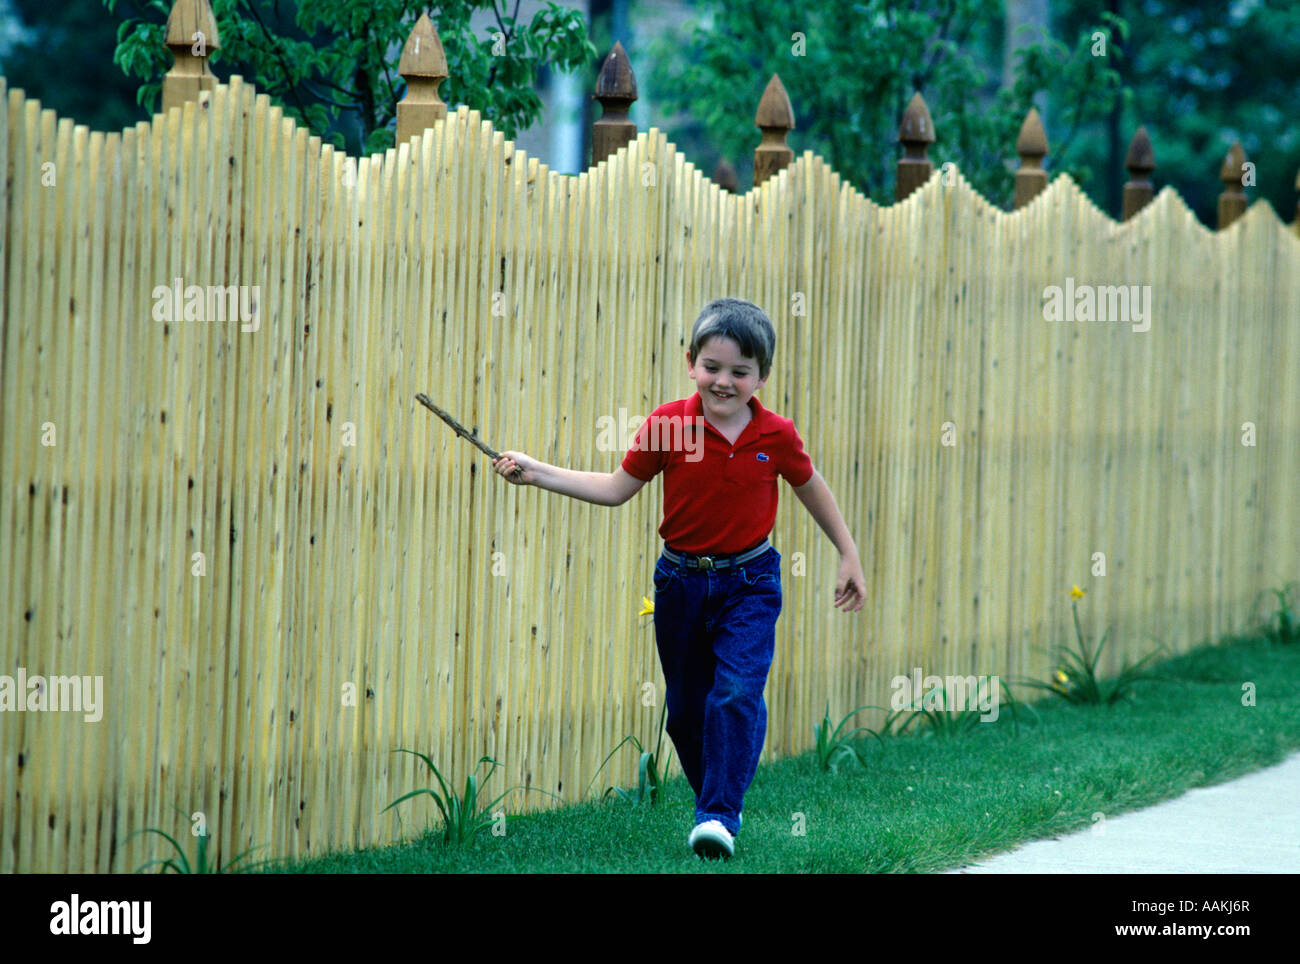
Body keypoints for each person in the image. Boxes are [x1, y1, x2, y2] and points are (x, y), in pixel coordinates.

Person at [491, 297, 865, 859]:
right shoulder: (670, 426)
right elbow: (615, 489)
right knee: (687, 714)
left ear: (761, 376)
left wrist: (847, 553)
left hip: (751, 582)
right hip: (680, 585)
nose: (723, 382)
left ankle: (717, 815)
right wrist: (536, 473)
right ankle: (721, 795)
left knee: (735, 693)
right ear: (691, 362)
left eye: (740, 372)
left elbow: (810, 486)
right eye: (712, 367)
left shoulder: (776, 436)